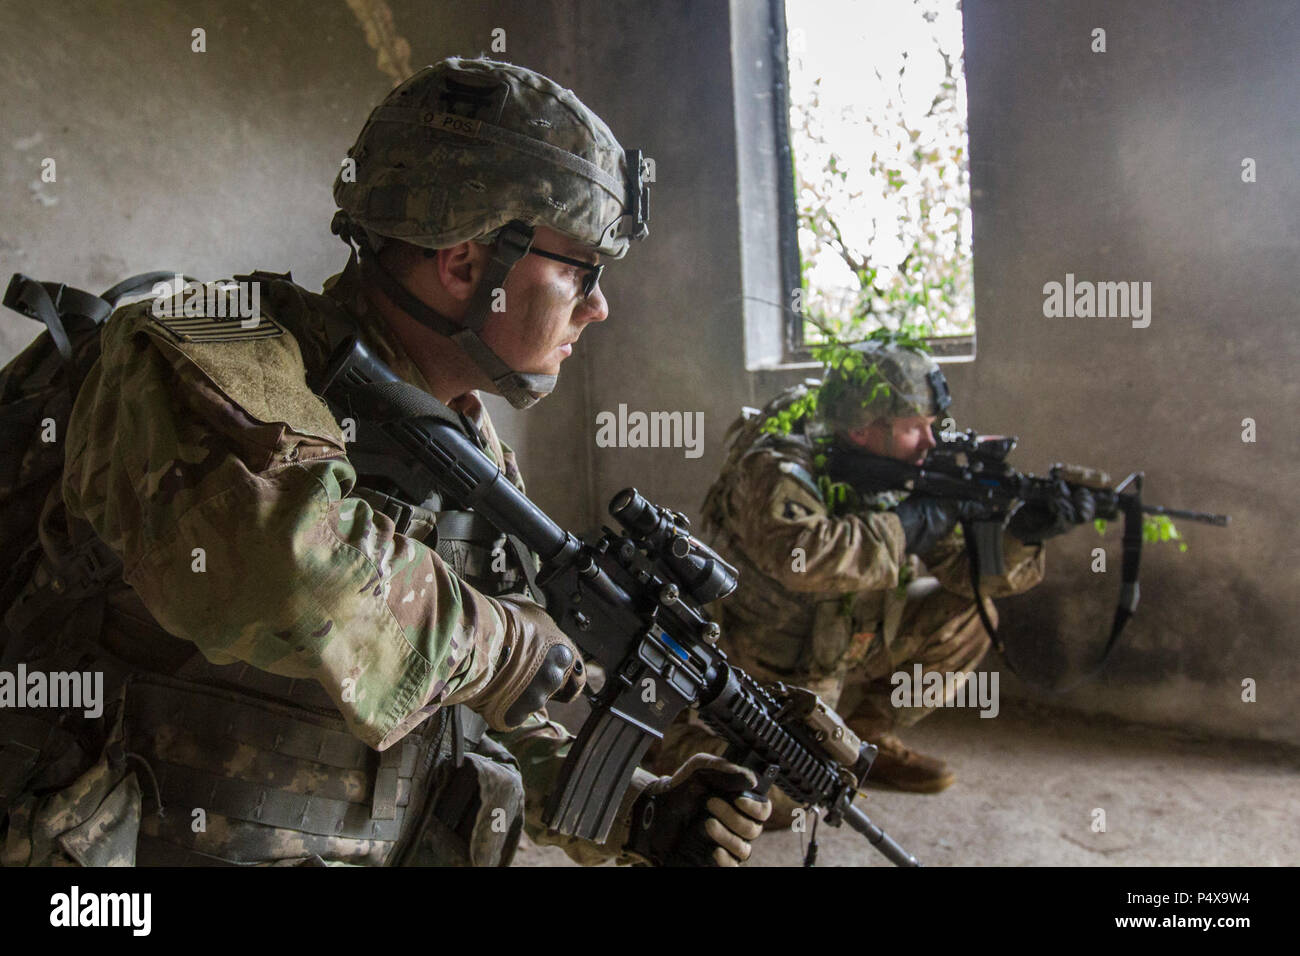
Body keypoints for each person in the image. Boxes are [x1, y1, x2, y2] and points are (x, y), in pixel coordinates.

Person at [0, 57, 768, 867]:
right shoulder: (205, 344)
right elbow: (289, 568)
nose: (599, 305)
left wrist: (633, 811)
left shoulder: (475, 456)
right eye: (583, 269)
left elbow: (478, 710)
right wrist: (513, 648)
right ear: (466, 263)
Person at [650, 337, 1094, 821]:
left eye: (931, 426)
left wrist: (1021, 536)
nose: (929, 442)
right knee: (780, 803)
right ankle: (673, 738)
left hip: (851, 638)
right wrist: (910, 524)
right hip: (769, 660)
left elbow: (968, 577)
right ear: (864, 430)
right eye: (913, 429)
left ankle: (863, 743)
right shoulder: (777, 464)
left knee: (970, 613)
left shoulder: (900, 464)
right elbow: (804, 557)